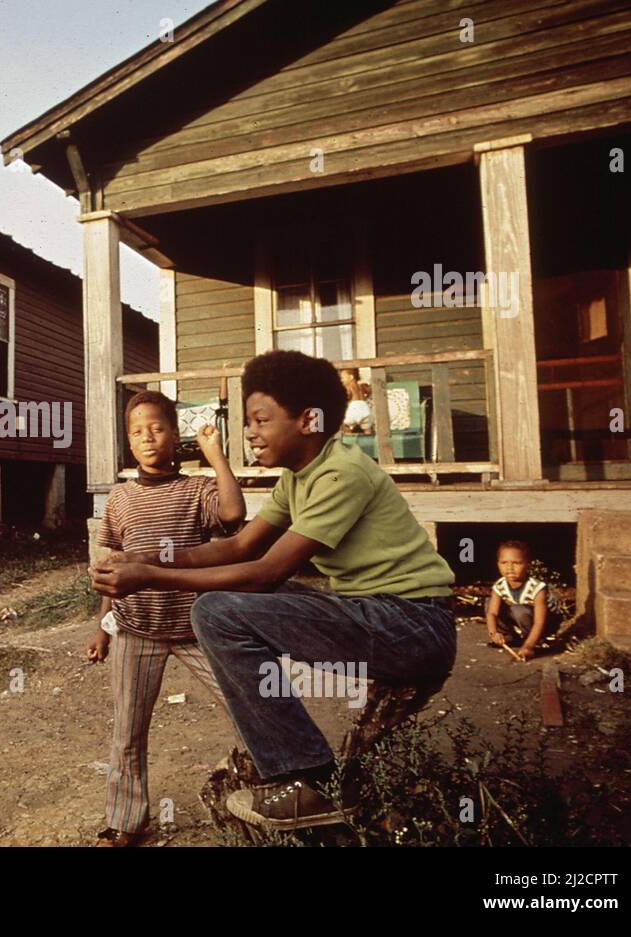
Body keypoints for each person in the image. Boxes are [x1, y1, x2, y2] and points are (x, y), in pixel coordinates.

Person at [90, 350, 456, 832]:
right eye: (248, 421)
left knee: (217, 612)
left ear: (308, 421)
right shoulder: (298, 478)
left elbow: (265, 572)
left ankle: (306, 777)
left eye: (261, 420)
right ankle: (302, 776)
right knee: (223, 606)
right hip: (374, 614)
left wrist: (152, 577)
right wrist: (143, 558)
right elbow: (237, 545)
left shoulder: (341, 472)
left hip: (412, 626)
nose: (249, 432)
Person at [87, 390, 245, 846]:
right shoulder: (119, 498)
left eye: (156, 428)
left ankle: (276, 790)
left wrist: (215, 455)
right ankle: (125, 821)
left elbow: (235, 513)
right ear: (128, 442)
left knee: (249, 704)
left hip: (199, 627)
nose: (147, 438)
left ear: (175, 436)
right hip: (137, 628)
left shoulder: (197, 489)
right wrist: (102, 625)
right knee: (128, 730)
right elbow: (111, 566)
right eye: (137, 432)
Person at [486, 540, 554, 661]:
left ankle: (533, 641)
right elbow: (492, 613)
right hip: (519, 620)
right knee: (488, 604)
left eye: (516, 563)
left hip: (539, 626)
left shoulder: (537, 588)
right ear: (498, 564)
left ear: (527, 565)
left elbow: (539, 622)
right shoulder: (499, 585)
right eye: (504, 562)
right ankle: (508, 637)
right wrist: (493, 633)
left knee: (519, 610)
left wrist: (528, 646)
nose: (509, 568)